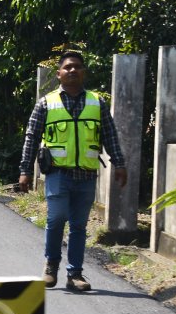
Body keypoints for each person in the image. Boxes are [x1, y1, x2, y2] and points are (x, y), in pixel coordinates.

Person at [19, 50, 128, 292]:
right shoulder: (46, 103)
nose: (72, 70)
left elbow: (109, 135)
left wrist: (119, 163)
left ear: (83, 72)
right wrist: (25, 170)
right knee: (56, 218)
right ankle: (51, 265)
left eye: (77, 66)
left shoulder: (96, 102)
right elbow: (31, 137)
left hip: (86, 175)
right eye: (67, 67)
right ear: (59, 74)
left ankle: (75, 274)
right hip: (58, 173)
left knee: (79, 225)